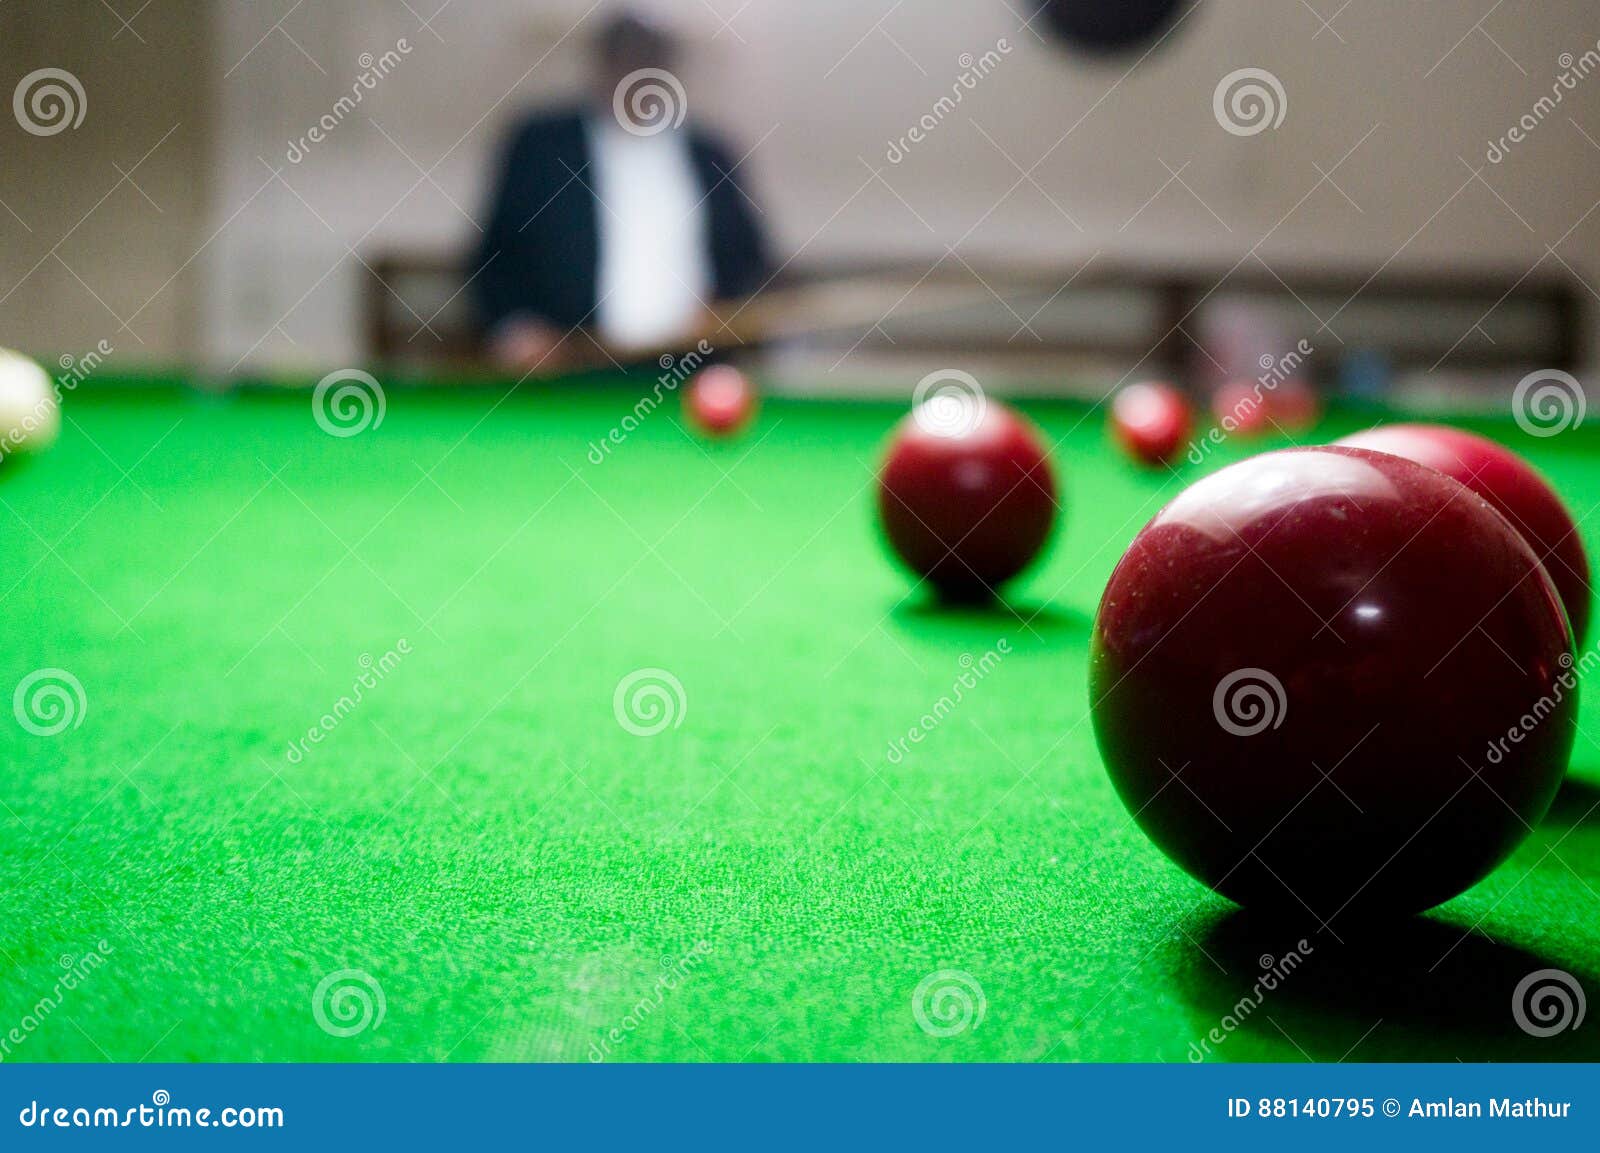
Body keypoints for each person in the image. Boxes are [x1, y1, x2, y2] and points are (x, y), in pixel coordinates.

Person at [472, 10, 771, 372]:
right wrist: (515, 329)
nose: (635, 76)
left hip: (689, 369)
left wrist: (725, 312)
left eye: (647, 62)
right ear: (600, 65)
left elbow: (752, 262)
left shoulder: (711, 153)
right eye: (624, 61)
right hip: (569, 374)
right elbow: (494, 258)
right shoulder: (541, 146)